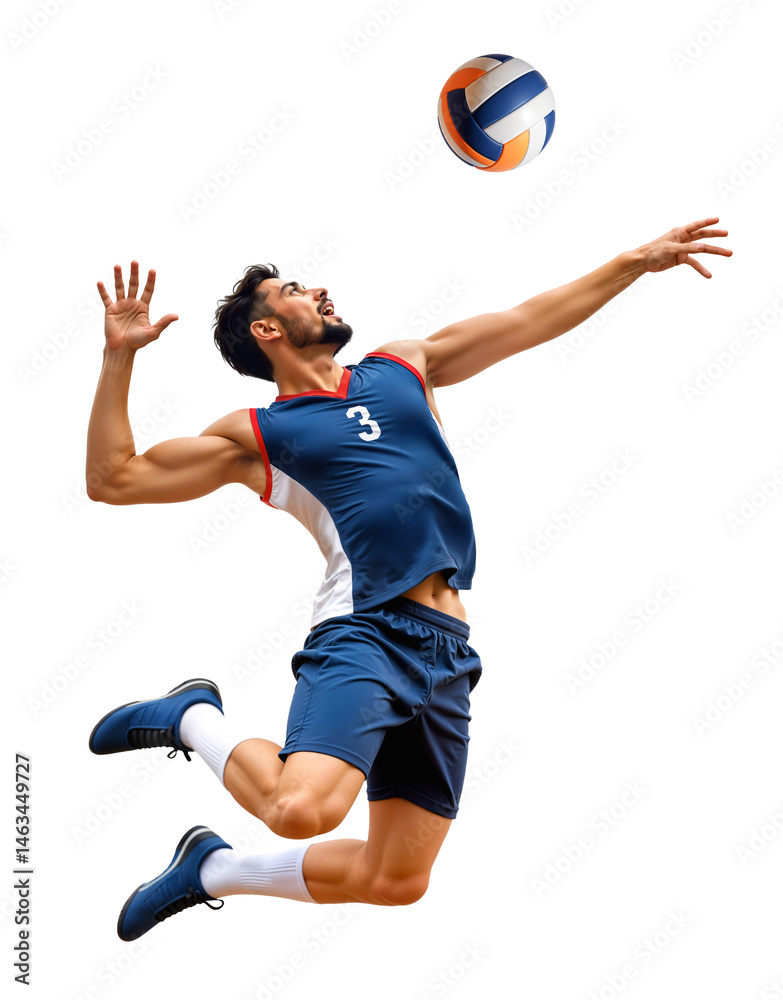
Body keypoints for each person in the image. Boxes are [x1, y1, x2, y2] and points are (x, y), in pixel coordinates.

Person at [86, 218, 732, 941]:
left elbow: (526, 321)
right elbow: (114, 480)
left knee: (396, 879)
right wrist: (119, 359)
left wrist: (632, 262)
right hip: (367, 630)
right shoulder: (259, 434)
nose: (321, 289)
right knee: (301, 810)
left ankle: (210, 870)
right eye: (296, 289)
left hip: (447, 648)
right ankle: (190, 715)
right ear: (266, 329)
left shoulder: (401, 367)